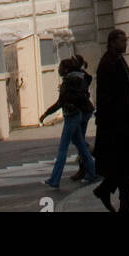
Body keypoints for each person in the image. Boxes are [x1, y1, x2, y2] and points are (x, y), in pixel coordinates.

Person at [92, 28, 129, 213]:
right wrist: (118, 121)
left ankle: (123, 203)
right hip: (117, 126)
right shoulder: (108, 63)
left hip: (123, 123)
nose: (126, 43)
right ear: (113, 42)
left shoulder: (116, 60)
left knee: (125, 166)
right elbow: (107, 97)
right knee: (122, 165)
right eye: (123, 40)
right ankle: (107, 192)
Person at [41, 57, 96, 189]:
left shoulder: (70, 81)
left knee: (63, 148)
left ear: (65, 69)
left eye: (60, 67)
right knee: (81, 145)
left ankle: (54, 180)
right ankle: (92, 172)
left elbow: (61, 102)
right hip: (77, 114)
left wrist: (46, 114)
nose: (58, 69)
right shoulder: (78, 77)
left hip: (72, 116)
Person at [70, 52, 94, 181]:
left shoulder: (79, 76)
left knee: (79, 140)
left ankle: (86, 166)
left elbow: (80, 93)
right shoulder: (81, 75)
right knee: (79, 140)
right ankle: (84, 167)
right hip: (83, 110)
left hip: (83, 111)